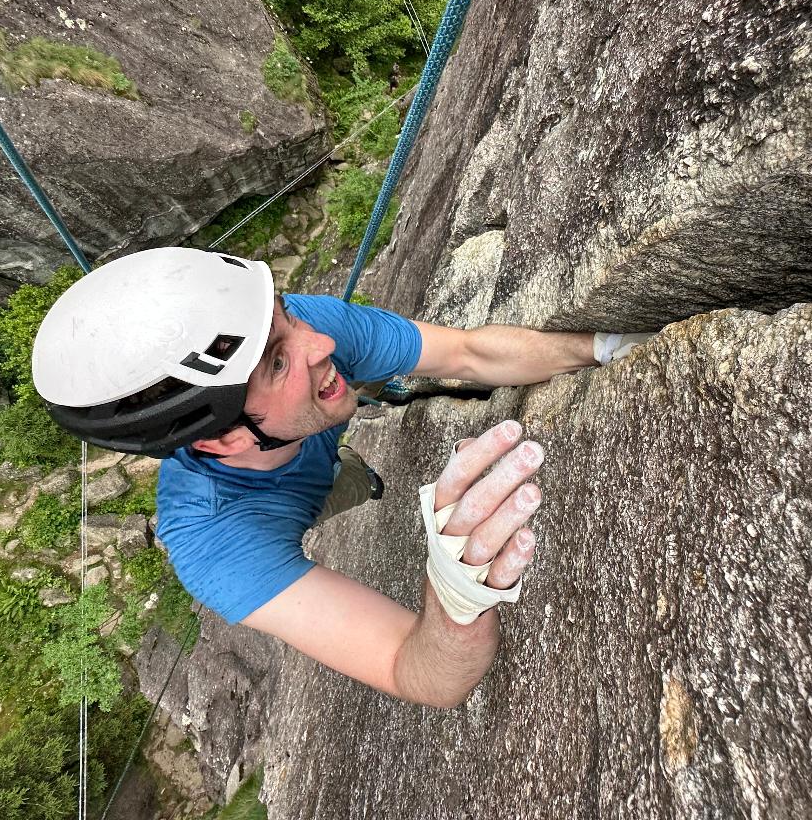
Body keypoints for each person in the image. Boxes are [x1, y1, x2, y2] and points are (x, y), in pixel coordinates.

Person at [32, 247, 650, 708]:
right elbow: (425, 677)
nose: (320, 341)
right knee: (340, 485)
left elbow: (468, 353)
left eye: (284, 319)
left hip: (309, 462)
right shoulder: (219, 545)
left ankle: (360, 479)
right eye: (278, 362)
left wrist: (608, 346)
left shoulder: (305, 335)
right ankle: (357, 481)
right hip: (281, 508)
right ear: (220, 434)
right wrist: (459, 594)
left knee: (349, 474)